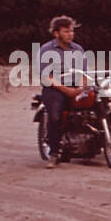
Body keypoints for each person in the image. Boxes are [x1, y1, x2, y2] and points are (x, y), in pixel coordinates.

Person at [38, 15, 87, 168]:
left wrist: (80, 88)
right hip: (55, 88)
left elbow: (84, 73)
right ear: (56, 33)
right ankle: (53, 153)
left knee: (100, 99)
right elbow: (46, 76)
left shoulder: (78, 49)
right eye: (66, 31)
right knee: (54, 115)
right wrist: (67, 90)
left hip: (75, 86)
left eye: (72, 31)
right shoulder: (46, 49)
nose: (70, 35)